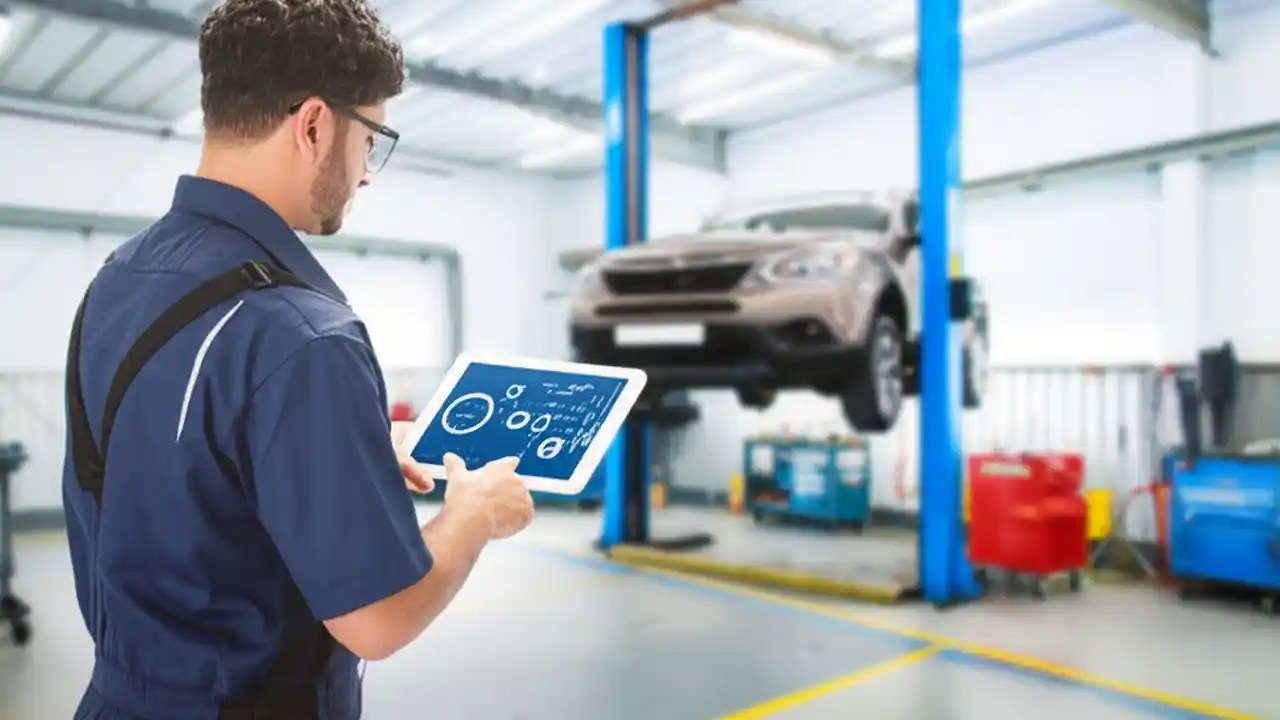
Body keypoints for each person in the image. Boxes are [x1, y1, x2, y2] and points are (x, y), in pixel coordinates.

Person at [60, 1, 535, 717]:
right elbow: (377, 619)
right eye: (370, 138)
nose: (367, 173)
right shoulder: (304, 333)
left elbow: (181, 464)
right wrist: (471, 517)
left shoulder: (120, 280)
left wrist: (348, 450)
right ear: (315, 126)